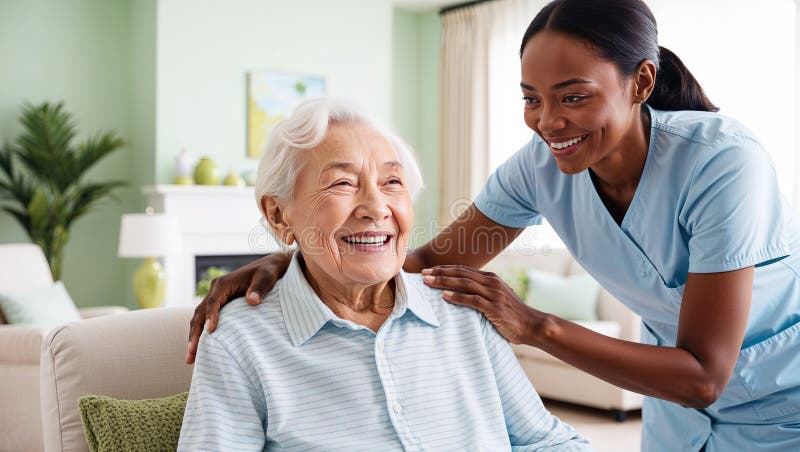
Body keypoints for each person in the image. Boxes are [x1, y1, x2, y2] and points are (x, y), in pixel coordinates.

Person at [187, 1, 800, 450]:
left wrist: (535, 325)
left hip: (777, 398)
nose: (549, 122)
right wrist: (293, 258)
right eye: (532, 98)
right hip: (677, 415)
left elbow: (704, 375)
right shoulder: (539, 169)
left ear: (640, 81)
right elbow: (417, 262)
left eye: (574, 96)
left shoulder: (723, 163)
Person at [178, 98, 590, 451]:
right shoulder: (240, 338)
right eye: (342, 183)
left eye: (392, 181)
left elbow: (549, 442)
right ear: (277, 215)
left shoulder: (464, 310)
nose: (376, 207)